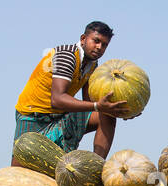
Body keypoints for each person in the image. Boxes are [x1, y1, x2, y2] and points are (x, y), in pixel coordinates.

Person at [12, 21, 132, 160]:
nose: (99, 47)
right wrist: (97, 106)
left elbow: (91, 102)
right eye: (96, 41)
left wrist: (122, 110)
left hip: (59, 117)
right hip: (33, 117)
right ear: (83, 39)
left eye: (104, 45)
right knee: (19, 173)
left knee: (107, 115)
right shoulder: (66, 55)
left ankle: (96, 166)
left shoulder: (92, 65)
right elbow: (57, 100)